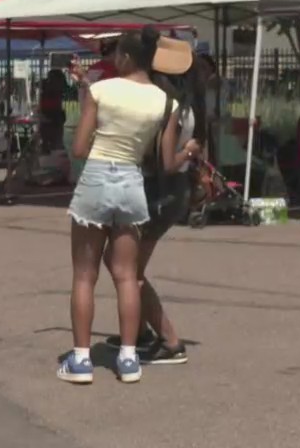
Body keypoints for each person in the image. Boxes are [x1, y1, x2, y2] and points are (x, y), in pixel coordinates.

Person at [58, 27, 194, 385]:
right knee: (126, 275)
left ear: (127, 57)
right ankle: (130, 359)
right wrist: (188, 152)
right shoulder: (168, 103)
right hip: (133, 182)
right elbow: (165, 161)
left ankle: (82, 360)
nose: (113, 59)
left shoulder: (101, 90)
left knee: (85, 274)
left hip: (99, 176)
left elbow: (79, 147)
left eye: (116, 54)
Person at [104, 37, 202, 365]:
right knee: (124, 265)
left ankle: (169, 339)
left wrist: (185, 152)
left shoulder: (164, 106)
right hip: (167, 191)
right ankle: (142, 328)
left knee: (127, 268)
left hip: (158, 191)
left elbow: (166, 162)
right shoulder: (182, 106)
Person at [39, 68, 68, 152]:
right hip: (53, 115)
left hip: (52, 115)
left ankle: (50, 147)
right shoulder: (52, 88)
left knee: (51, 140)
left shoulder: (48, 88)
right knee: (54, 141)